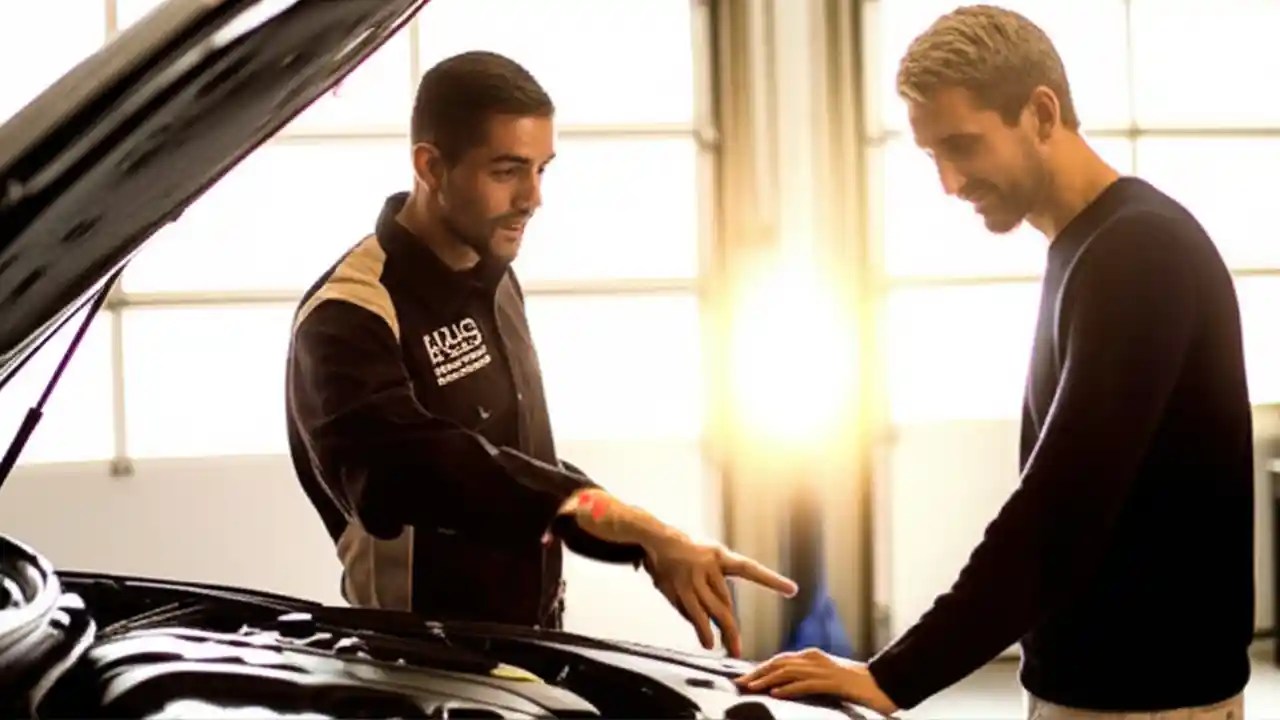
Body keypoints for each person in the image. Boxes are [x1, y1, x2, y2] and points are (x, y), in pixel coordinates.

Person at [737, 5, 1254, 718]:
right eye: (932, 157)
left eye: (964, 145)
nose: (949, 182)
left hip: (1144, 700)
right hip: (1099, 690)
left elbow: (1060, 509)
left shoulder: (1138, 252)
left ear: (1042, 113)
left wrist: (896, 674)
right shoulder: (1089, 248)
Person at [284, 49, 797, 657]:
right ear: (430, 166)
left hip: (531, 645)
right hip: (421, 665)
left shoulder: (495, 275)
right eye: (507, 170)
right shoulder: (350, 312)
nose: (532, 198)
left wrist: (644, 538)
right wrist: (616, 520)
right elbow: (406, 470)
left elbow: (517, 462)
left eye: (541, 169)